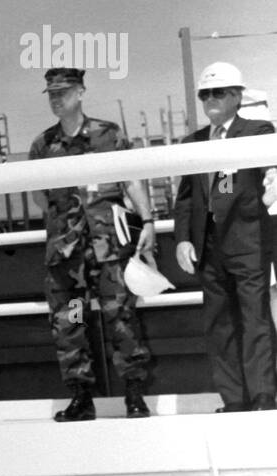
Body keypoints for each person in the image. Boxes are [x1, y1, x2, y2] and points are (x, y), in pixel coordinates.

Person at [28, 68, 154, 421]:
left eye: (63, 92)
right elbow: (39, 197)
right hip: (67, 257)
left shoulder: (107, 134)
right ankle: (82, 397)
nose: (57, 99)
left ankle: (134, 394)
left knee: (121, 319)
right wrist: (63, 226)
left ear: (80, 92)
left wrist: (147, 221)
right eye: (51, 94)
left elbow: (130, 180)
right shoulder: (42, 145)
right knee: (71, 321)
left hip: (109, 247)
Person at [173, 62, 277, 412]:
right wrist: (183, 239)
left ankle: (263, 396)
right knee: (219, 323)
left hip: (248, 240)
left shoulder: (257, 130)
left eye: (218, 92)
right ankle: (234, 400)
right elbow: (186, 197)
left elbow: (270, 167)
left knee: (254, 317)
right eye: (205, 94)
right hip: (209, 244)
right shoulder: (193, 142)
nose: (210, 99)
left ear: (236, 96)